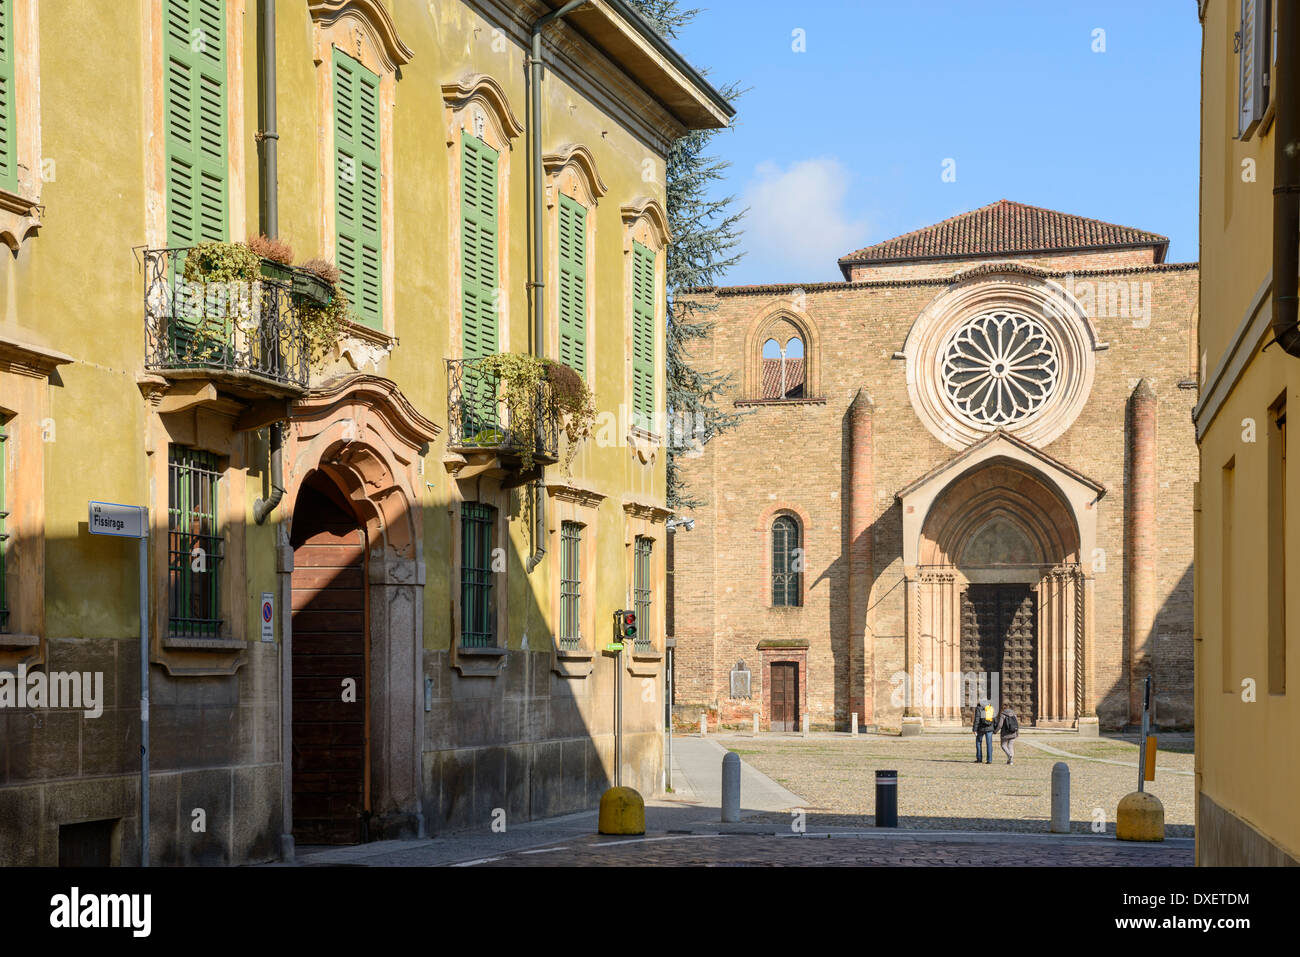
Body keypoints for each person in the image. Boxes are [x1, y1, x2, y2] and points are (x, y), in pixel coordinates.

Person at [993, 700, 1019, 764]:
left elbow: (1000, 725)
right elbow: (1017, 724)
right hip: (1013, 732)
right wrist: (1017, 733)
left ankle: (1009, 755)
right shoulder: (1014, 714)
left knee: (1003, 745)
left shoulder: (1003, 714)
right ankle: (1011, 761)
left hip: (1005, 734)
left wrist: (995, 731)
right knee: (1010, 746)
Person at [972, 699, 994, 764]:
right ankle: (989, 760)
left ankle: (979, 759)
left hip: (981, 728)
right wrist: (995, 728)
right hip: (989, 728)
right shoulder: (990, 707)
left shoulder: (978, 708)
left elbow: (977, 719)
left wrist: (974, 729)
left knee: (978, 742)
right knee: (989, 744)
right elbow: (994, 718)